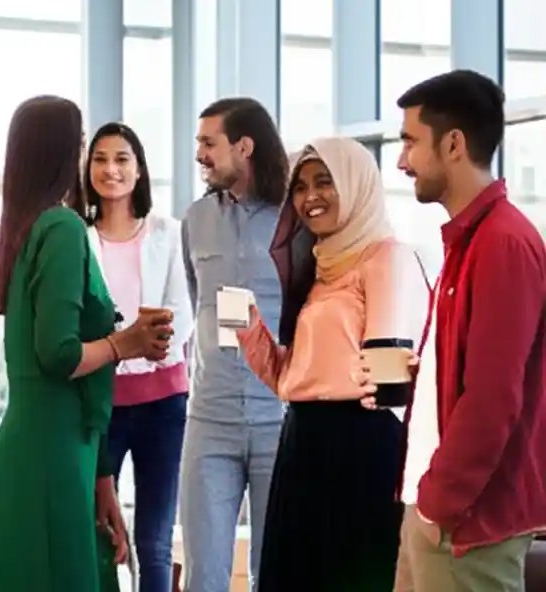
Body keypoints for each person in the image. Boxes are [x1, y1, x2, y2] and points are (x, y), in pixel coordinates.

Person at [0, 96, 173, 592]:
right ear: (64, 151)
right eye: (84, 145)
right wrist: (127, 343)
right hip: (51, 456)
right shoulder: (61, 228)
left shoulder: (27, 229)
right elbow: (58, 354)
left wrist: (102, 479)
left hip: (49, 449)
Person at [369, 70, 546, 592]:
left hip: (464, 522)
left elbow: (494, 398)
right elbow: (478, 370)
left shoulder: (502, 244)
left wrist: (440, 503)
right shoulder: (470, 241)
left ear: (452, 144)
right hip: (438, 509)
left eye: (409, 142)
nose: (402, 161)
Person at [234, 137, 429, 591]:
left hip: (359, 443)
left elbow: (386, 374)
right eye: (300, 187)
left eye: (325, 182)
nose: (309, 197)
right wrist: (249, 330)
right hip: (303, 438)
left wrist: (392, 381)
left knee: (352, 575)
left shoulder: (386, 256)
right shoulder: (321, 269)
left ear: (356, 185)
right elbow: (291, 380)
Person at [179, 97, 288, 592]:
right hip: (209, 421)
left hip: (279, 421)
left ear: (244, 146)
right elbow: (198, 300)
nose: (199, 153)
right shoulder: (194, 220)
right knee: (205, 574)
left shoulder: (294, 221)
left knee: (277, 572)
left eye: (208, 142)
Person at [83, 122, 193, 592]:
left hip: (163, 405)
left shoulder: (169, 232)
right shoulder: (77, 235)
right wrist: (125, 344)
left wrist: (131, 348)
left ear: (140, 169)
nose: (111, 169)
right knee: (98, 530)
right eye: (101, 159)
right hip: (98, 403)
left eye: (122, 158)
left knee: (154, 539)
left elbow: (179, 317)